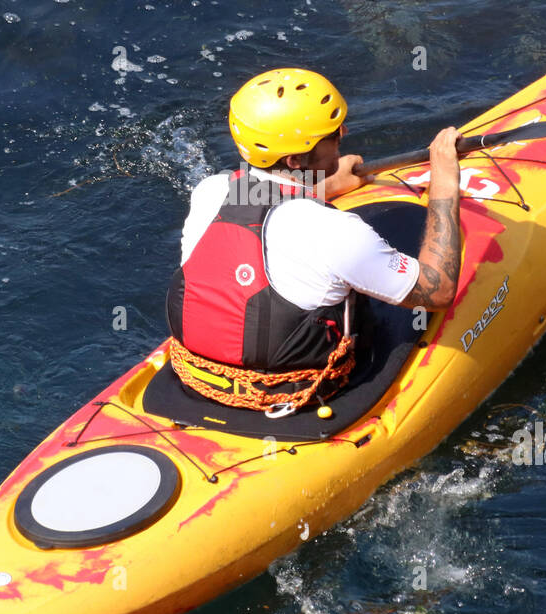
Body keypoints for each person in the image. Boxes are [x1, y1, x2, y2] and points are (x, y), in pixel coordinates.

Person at [166, 68, 462, 417]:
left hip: (199, 376)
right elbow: (439, 291)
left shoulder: (210, 192)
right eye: (333, 135)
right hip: (299, 394)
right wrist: (444, 180)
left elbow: (263, 210)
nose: (344, 133)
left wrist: (323, 182)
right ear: (295, 160)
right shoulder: (336, 231)